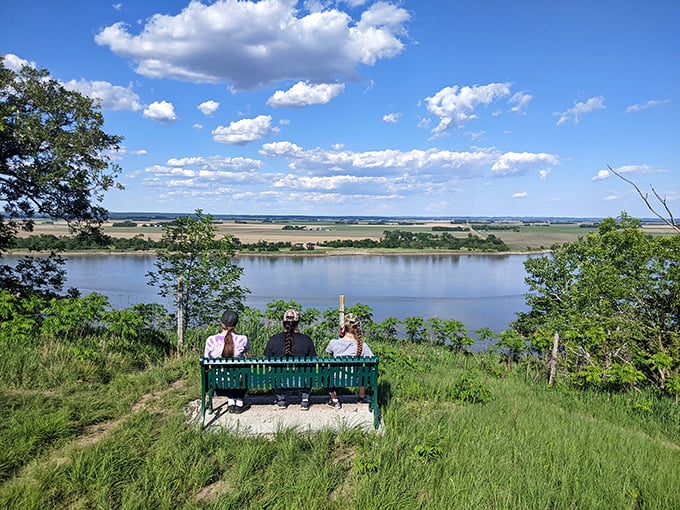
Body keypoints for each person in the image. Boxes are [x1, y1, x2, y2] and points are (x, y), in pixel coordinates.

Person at [264, 309, 317, 410]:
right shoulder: (306, 339)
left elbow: (268, 360)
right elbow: (312, 362)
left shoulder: (274, 339)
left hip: (280, 381)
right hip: (302, 381)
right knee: (308, 371)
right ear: (298, 323)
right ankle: (305, 399)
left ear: (283, 322)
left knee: (275, 373)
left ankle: (281, 398)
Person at [203, 310, 250, 414]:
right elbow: (246, 350)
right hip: (239, 382)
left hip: (218, 383)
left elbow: (206, 360)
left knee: (225, 374)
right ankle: (238, 403)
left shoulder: (211, 340)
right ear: (235, 325)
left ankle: (230, 401)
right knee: (242, 371)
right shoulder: (243, 339)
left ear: (221, 323)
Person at [324, 312, 374, 409]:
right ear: (357, 327)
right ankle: (361, 396)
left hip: (336, 379)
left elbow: (330, 353)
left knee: (325, 372)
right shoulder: (363, 346)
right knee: (365, 370)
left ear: (344, 327)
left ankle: (335, 400)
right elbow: (371, 362)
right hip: (355, 379)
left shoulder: (333, 343)